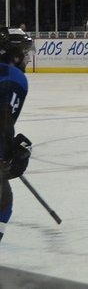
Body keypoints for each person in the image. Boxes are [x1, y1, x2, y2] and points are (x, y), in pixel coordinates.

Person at [0, 28, 35, 243]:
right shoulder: (13, 76)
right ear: (14, 55)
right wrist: (8, 152)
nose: (28, 57)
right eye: (24, 52)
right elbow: (2, 116)